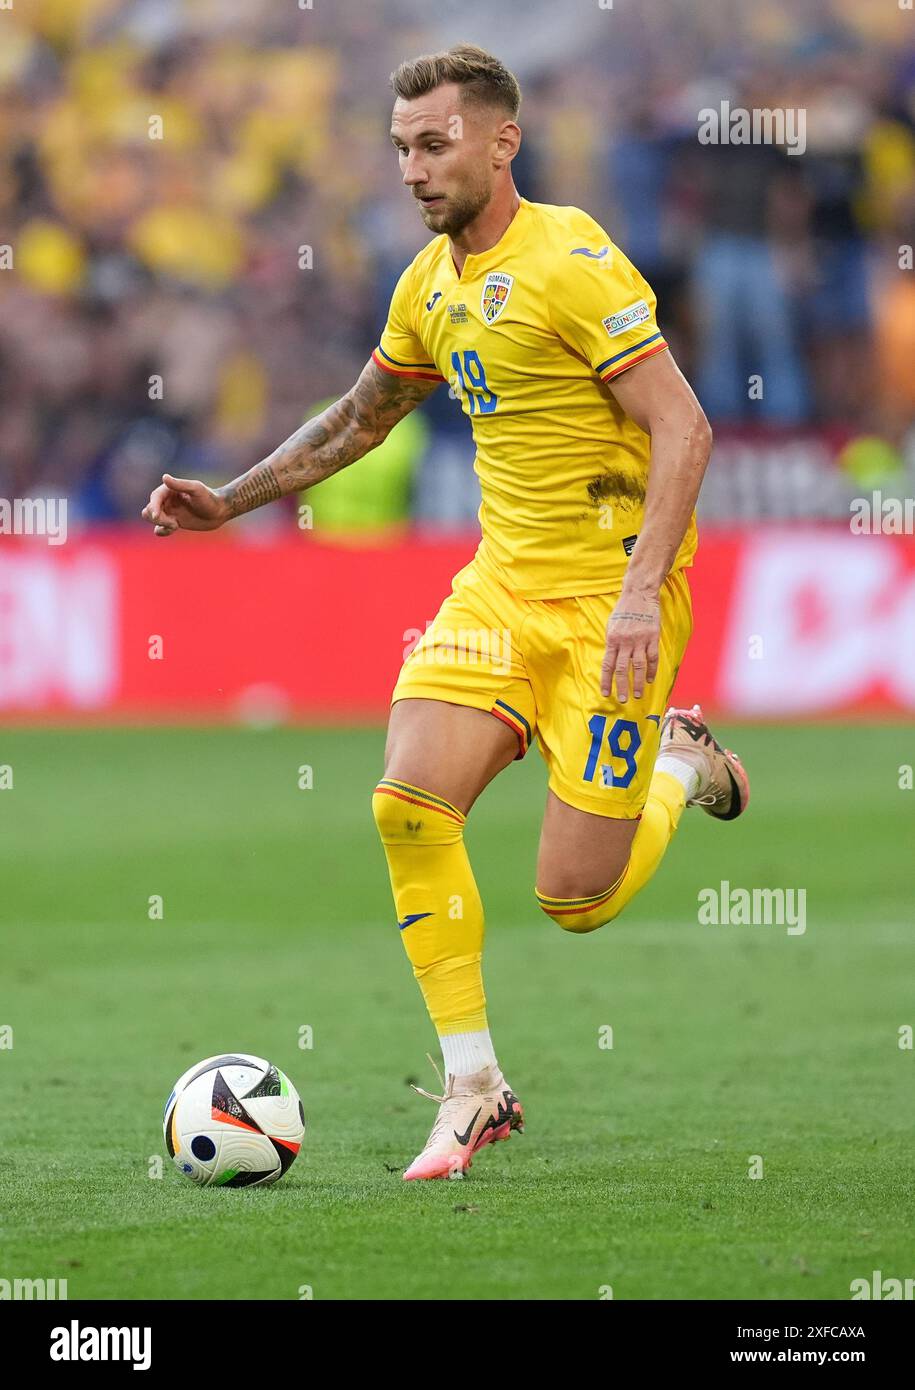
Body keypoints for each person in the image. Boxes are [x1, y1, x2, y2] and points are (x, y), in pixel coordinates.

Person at [142, 44, 749, 1182]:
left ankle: (681, 764)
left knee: (575, 900)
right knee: (405, 801)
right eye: (403, 150)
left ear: (500, 142)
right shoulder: (428, 285)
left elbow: (688, 428)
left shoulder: (571, 258)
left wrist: (634, 599)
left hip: (614, 606)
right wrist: (231, 497)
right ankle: (473, 1085)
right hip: (500, 590)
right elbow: (359, 418)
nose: (415, 169)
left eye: (436, 143)